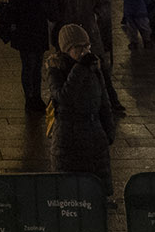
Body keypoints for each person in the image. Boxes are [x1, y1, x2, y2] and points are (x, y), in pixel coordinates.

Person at [48, 23, 116, 194]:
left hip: (94, 137)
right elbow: (64, 96)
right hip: (68, 141)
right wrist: (80, 68)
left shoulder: (93, 67)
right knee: (71, 193)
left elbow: (104, 100)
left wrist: (108, 129)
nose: (84, 51)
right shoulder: (56, 69)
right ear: (67, 49)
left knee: (97, 191)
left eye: (87, 46)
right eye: (79, 47)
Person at [1, 0, 54, 111]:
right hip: (26, 27)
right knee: (28, 64)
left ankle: (36, 97)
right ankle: (29, 98)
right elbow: (19, 3)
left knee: (37, 65)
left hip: (37, 27)